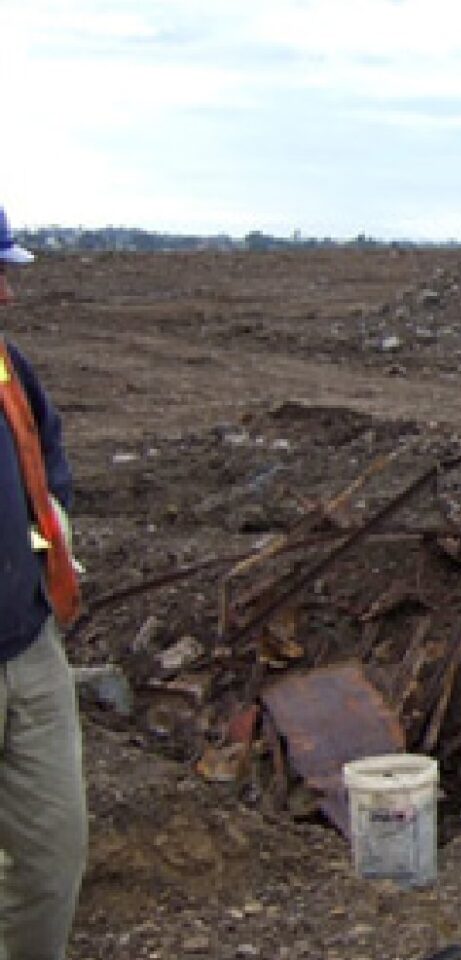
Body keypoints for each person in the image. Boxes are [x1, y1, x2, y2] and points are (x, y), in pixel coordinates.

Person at [0, 202, 87, 960]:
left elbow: (47, 464)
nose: (5, 292)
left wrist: (45, 544)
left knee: (51, 860)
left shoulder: (7, 366)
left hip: (27, 645)